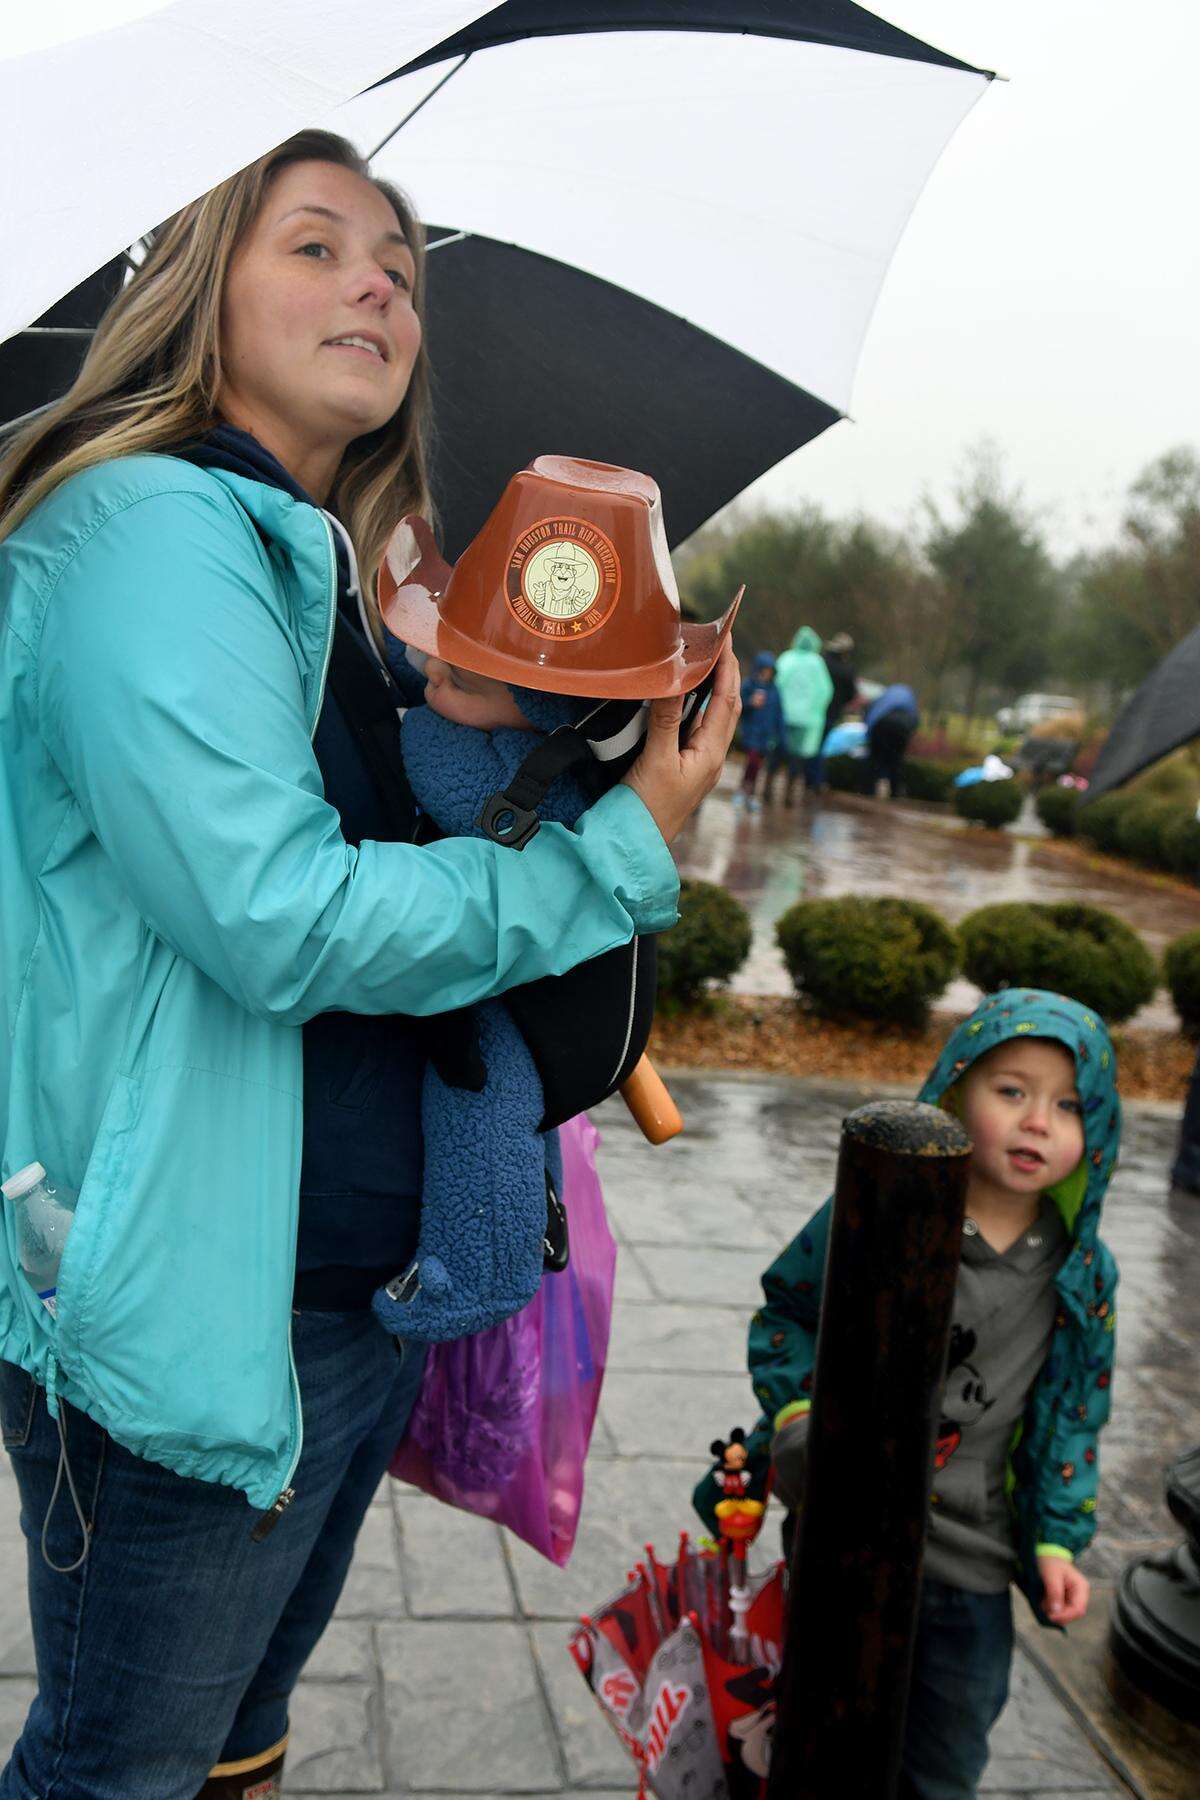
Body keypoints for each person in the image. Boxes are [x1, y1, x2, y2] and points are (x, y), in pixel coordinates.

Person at [0, 129, 739, 1799]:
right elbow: (277, 915)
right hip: (200, 1289)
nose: (376, 284)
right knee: (121, 1761)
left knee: (233, 1732)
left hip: (324, 1279)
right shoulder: (149, 529)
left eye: (399, 265)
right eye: (316, 247)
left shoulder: (299, 553)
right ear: (198, 292)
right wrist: (619, 859)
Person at [369, 455, 737, 1345]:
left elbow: (448, 786)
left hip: (519, 1006)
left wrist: (395, 725)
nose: (427, 674)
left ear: (552, 721)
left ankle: (479, 1269)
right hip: (531, 968)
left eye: (462, 676)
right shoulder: (568, 764)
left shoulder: (481, 762)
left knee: (479, 1091)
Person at [733, 989, 1120, 1799]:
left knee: (943, 1763)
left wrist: (1055, 1541)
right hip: (846, 1535)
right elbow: (789, 1312)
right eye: (1011, 1091)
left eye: (1068, 1104)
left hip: (972, 1565)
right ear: (952, 1093)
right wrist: (805, 1415)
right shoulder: (879, 1207)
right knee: (819, 1734)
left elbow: (1073, 1411)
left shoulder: (1080, 1271)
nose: (1039, 1122)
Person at [765, 625, 833, 805]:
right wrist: (814, 712)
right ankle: (788, 794)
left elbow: (776, 684)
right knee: (797, 757)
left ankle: (767, 788)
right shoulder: (817, 664)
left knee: (777, 753)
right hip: (805, 721)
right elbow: (825, 691)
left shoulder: (787, 658)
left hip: (783, 717)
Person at [808, 630, 857, 792]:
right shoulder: (847, 670)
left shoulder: (821, 662)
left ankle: (805, 776)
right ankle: (816, 780)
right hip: (831, 713)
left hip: (814, 710)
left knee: (810, 744)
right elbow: (851, 694)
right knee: (822, 747)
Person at [735, 651, 783, 812]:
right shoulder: (749, 685)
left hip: (766, 735)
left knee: (757, 765)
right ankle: (745, 791)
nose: (767, 673)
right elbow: (737, 705)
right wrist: (750, 703)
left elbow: (779, 713)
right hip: (751, 732)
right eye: (765, 669)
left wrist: (780, 734)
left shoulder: (775, 690)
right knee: (753, 761)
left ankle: (748, 792)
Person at [865, 680, 919, 797]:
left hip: (881, 725)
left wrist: (868, 733)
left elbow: (871, 713)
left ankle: (868, 790)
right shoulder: (909, 699)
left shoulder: (884, 696)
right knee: (896, 762)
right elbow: (915, 720)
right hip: (902, 729)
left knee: (875, 759)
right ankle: (895, 792)